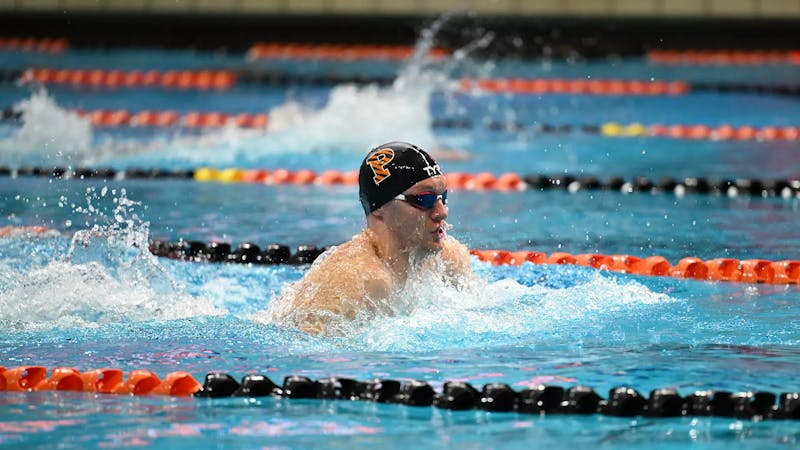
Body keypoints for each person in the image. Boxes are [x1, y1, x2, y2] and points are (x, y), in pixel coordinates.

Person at [267, 141, 473, 335]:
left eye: (443, 197)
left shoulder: (449, 259)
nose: (441, 212)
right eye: (424, 200)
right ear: (381, 208)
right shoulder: (356, 281)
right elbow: (304, 343)